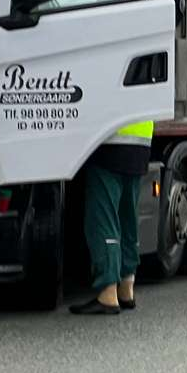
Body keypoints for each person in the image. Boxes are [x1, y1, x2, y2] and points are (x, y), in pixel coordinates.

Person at [69, 119, 153, 315]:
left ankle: (107, 293)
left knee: (103, 216)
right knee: (128, 217)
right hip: (141, 142)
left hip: (110, 140)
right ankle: (126, 288)